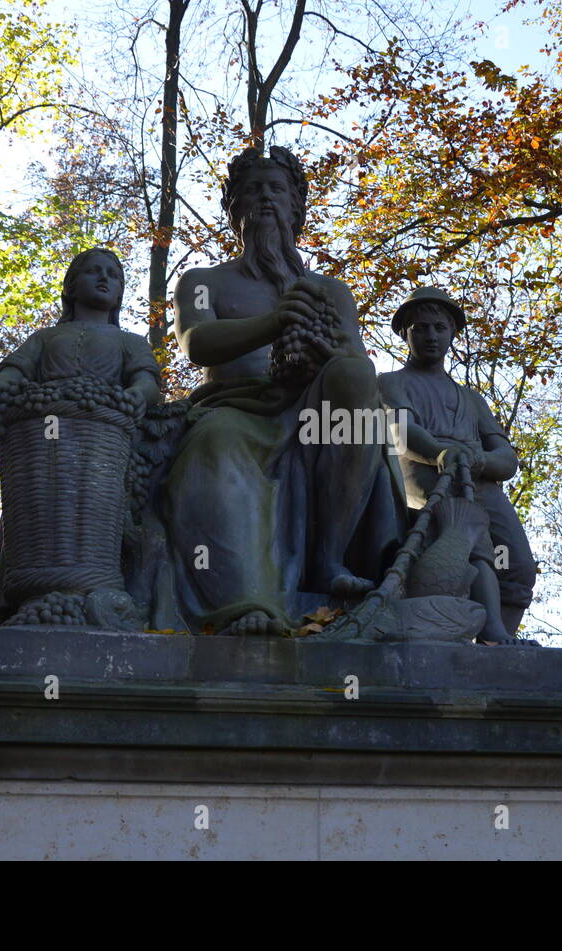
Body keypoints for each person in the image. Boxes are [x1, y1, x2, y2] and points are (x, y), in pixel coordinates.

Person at [159, 146, 404, 636]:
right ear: (235, 210)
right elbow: (198, 343)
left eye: (277, 190)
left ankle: (329, 558)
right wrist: (274, 323)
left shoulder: (330, 291)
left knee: (357, 380)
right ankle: (243, 600)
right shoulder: (203, 282)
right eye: (253, 190)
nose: (265, 198)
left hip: (312, 412)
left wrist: (321, 351)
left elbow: (355, 359)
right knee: (216, 442)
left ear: (297, 208)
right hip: (238, 409)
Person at [0, 247, 162, 625]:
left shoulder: (130, 342)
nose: (104, 278)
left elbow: (146, 383)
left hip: (102, 447)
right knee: (39, 512)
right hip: (43, 453)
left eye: (114, 275)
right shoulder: (44, 338)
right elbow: (12, 372)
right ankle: (31, 595)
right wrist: (1, 386)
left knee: (96, 515)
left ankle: (96, 584)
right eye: (93, 271)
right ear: (70, 286)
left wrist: (131, 398)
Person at [377, 287, 536, 644]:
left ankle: (496, 650)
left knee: (519, 566)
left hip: (480, 480)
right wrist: (440, 453)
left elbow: (506, 458)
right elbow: (402, 431)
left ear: (452, 333)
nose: (431, 336)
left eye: (439, 327)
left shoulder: (471, 399)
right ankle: (490, 631)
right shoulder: (390, 383)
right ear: (405, 333)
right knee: (472, 545)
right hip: (427, 476)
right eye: (420, 328)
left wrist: (480, 459)